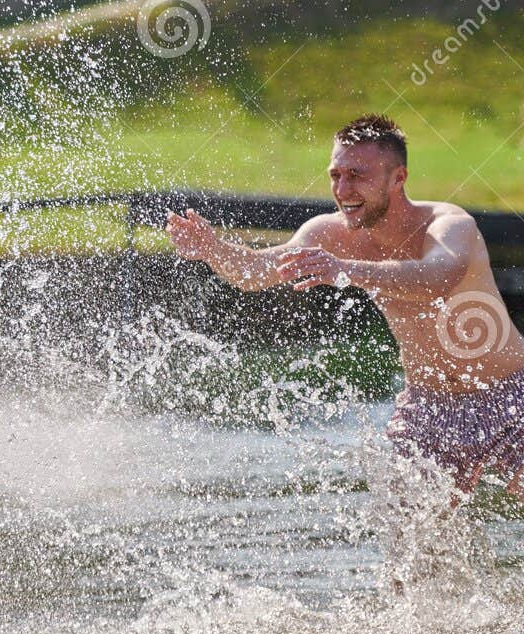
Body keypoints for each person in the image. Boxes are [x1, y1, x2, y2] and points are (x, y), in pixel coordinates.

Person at [166, 115, 524, 498]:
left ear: (398, 178)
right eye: (336, 174)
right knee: (413, 537)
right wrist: (213, 251)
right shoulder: (328, 233)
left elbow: (437, 277)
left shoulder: (449, 224)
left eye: (357, 174)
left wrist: (345, 269)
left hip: (508, 395)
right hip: (427, 408)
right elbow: (257, 272)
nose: (343, 188)